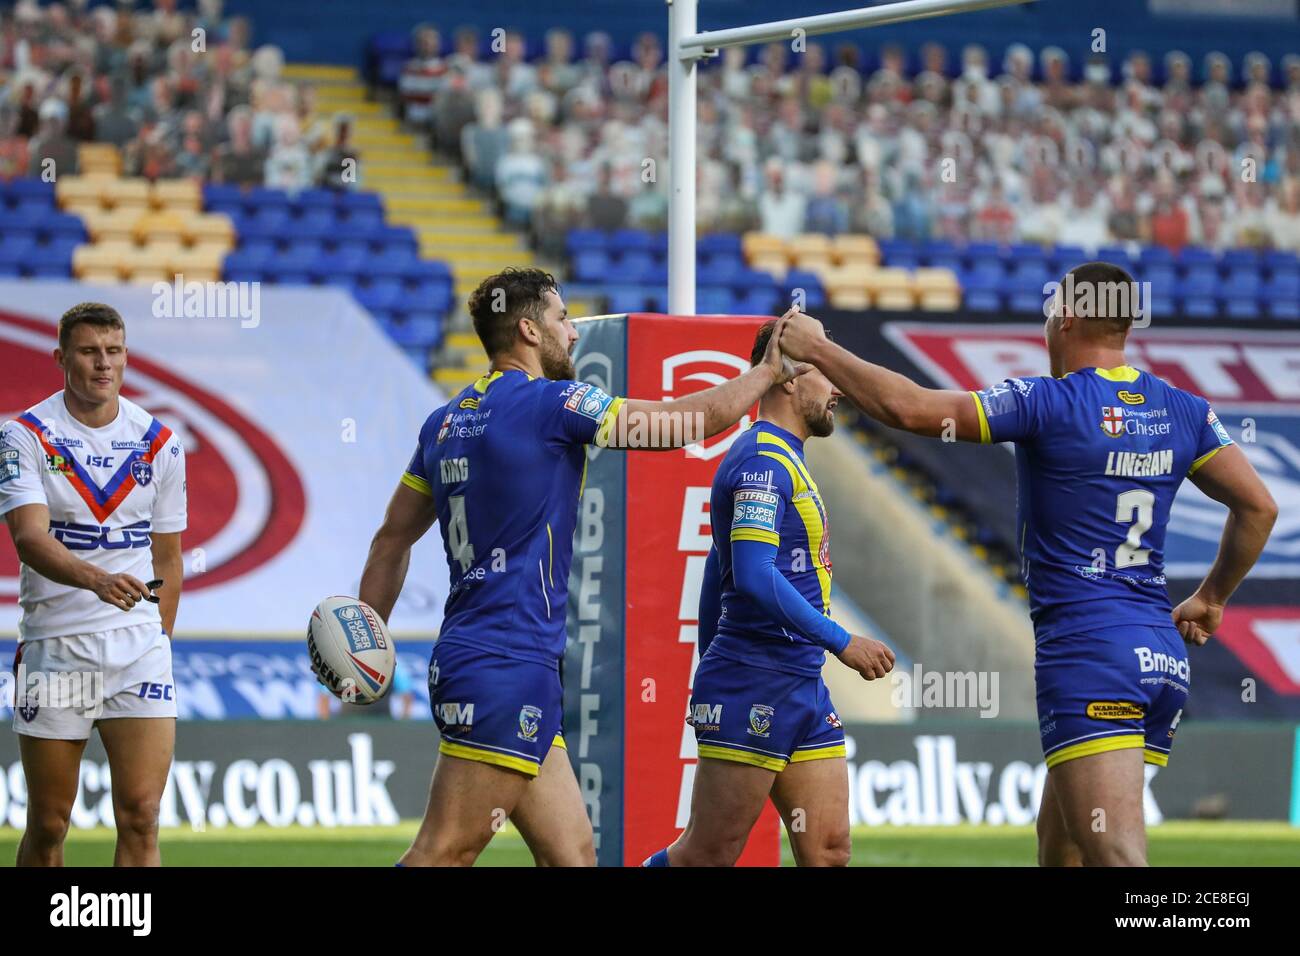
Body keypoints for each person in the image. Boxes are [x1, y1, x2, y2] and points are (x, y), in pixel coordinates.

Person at [777, 262, 1277, 867]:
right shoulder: (1184, 410)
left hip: (1091, 656)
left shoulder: (1048, 402)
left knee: (1114, 853)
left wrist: (820, 348)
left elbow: (911, 410)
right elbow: (1259, 506)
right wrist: (1213, 598)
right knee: (1060, 847)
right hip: (1158, 655)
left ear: (1066, 317)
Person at [354, 268, 806, 867]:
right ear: (527, 329)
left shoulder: (442, 425)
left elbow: (390, 540)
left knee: (573, 854)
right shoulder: (552, 403)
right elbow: (683, 423)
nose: (573, 334)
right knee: (443, 852)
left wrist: (367, 637)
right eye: (562, 319)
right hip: (507, 663)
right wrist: (769, 373)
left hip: (487, 658)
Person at [643, 322, 894, 868]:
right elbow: (754, 577)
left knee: (828, 850)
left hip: (798, 682)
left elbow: (719, 568)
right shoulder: (762, 460)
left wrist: (709, 660)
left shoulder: (784, 457)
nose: (840, 389)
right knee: (706, 855)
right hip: (755, 680)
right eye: (826, 372)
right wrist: (841, 640)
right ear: (788, 378)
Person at [1, 303, 187, 867]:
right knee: (51, 822)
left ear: (126, 356)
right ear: (60, 358)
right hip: (58, 647)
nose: (103, 364)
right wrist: (99, 581)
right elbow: (29, 538)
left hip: (138, 650)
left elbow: (170, 558)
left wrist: (160, 639)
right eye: (88, 351)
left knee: (141, 816)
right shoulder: (23, 435)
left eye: (113, 351)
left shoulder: (160, 443)